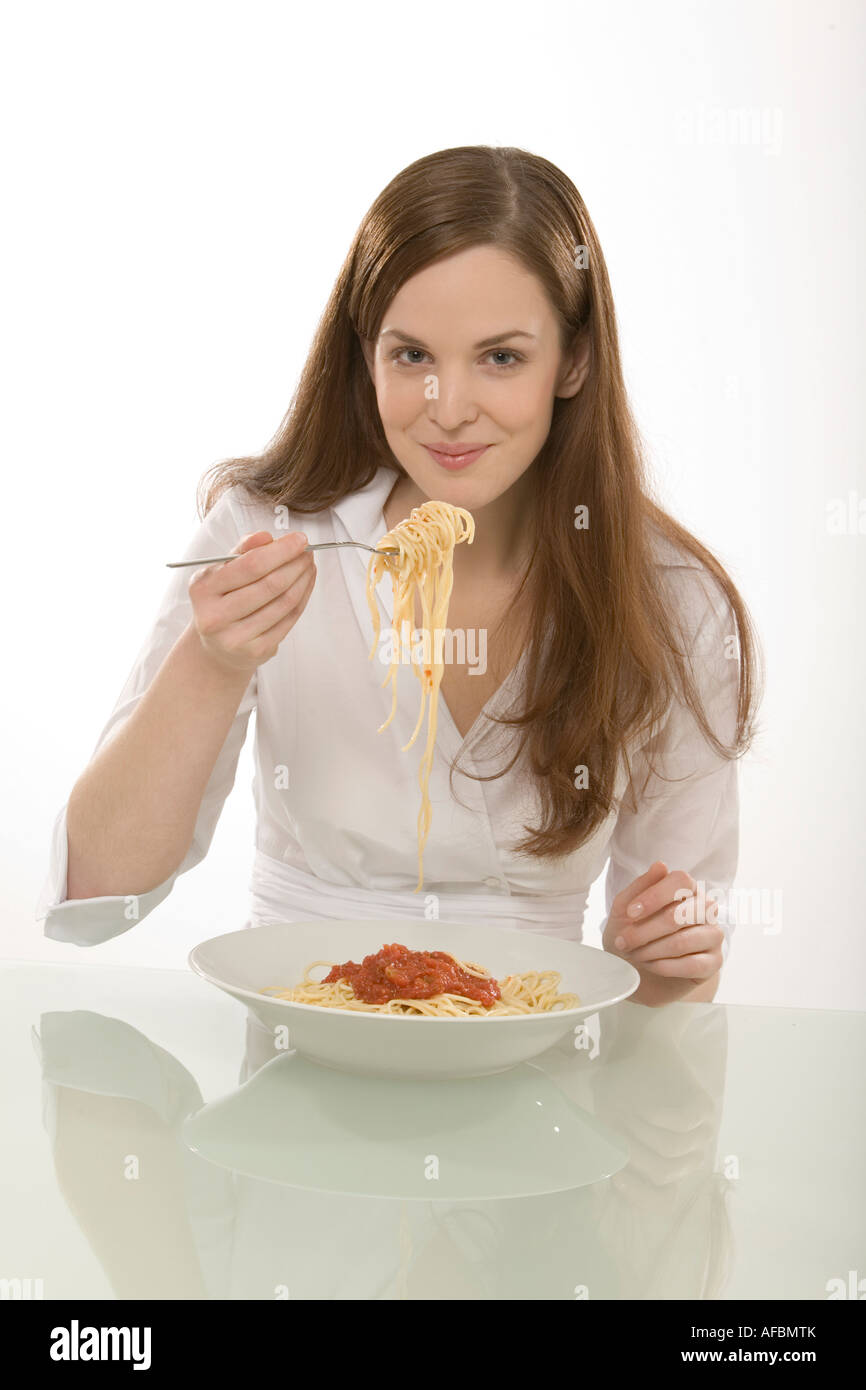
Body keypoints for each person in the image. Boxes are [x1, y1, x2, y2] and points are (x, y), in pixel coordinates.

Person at [37, 145, 763, 1008]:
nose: (448, 408)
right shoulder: (262, 534)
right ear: (364, 356)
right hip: (299, 1042)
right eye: (411, 356)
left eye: (500, 358)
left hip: (536, 1065)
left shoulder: (672, 597)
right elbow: (96, 897)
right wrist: (212, 662)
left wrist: (656, 961)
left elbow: (667, 979)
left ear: (573, 362)